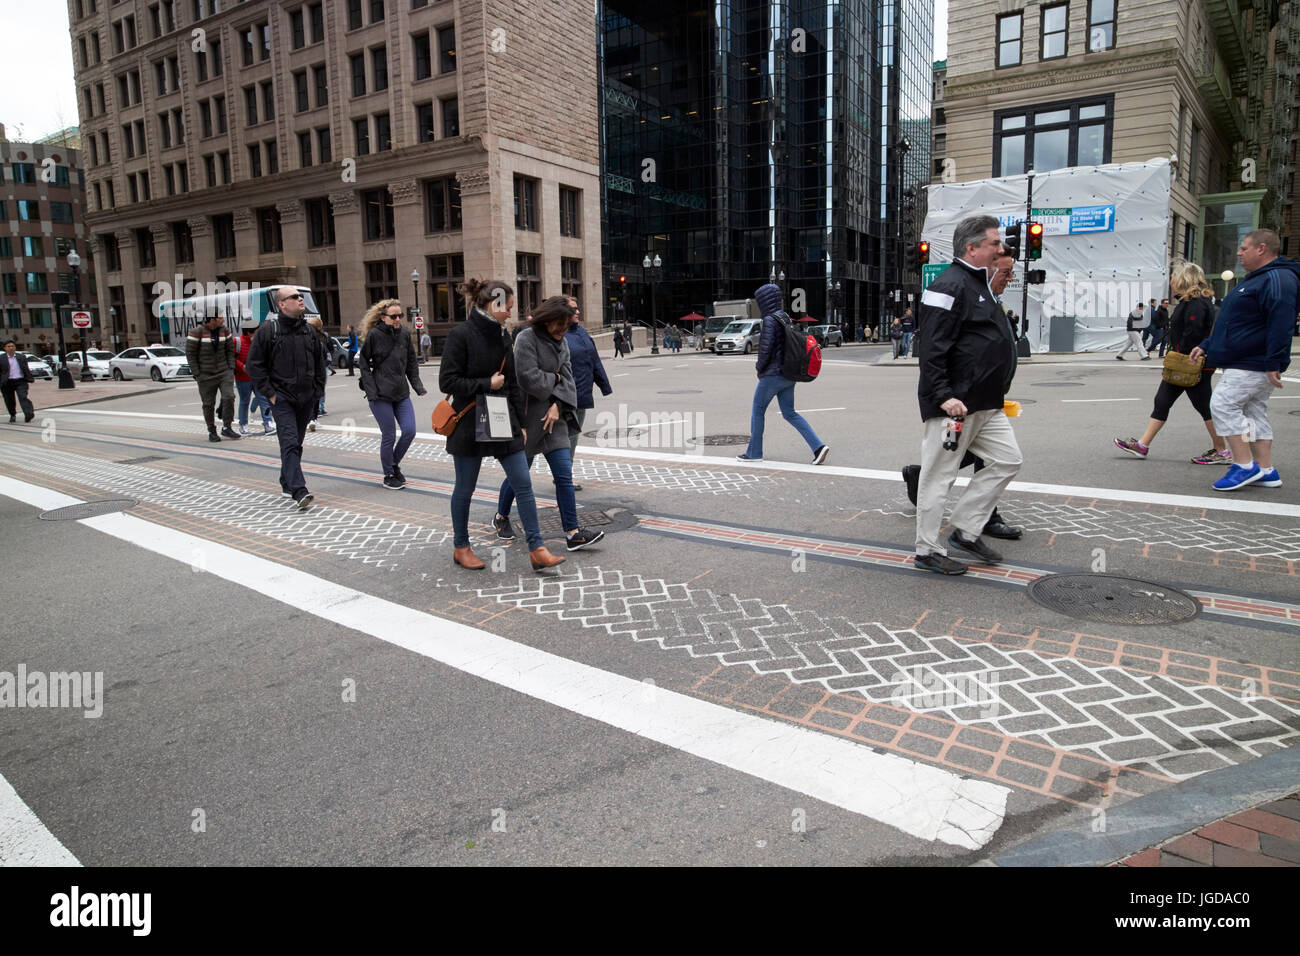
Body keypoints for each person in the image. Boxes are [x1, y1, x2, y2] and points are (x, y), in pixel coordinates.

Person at [913, 214, 1022, 575]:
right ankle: (927, 550)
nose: (1000, 247)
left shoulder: (979, 284)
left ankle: (966, 529)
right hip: (954, 406)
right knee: (937, 476)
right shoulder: (947, 286)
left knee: (1008, 460)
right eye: (993, 242)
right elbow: (930, 347)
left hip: (986, 404)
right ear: (971, 247)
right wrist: (943, 395)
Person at [440, 279, 565, 571]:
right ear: (492, 304)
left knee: (523, 482)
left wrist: (521, 424)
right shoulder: (461, 335)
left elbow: (512, 384)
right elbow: (447, 381)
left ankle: (537, 548)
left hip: (502, 420)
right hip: (470, 421)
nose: (511, 313)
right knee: (465, 487)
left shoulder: (503, 336)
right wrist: (486, 383)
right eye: (507, 307)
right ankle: (461, 546)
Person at [1190, 229, 1299, 491]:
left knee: (1223, 405)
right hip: (1249, 360)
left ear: (1261, 249)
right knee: (1252, 414)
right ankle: (1265, 469)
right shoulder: (1258, 279)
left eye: (1244, 248)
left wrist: (1274, 361)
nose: (1239, 253)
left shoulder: (1276, 278)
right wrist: (1206, 345)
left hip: (1252, 362)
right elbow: (1233, 322)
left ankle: (1243, 465)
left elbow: (1281, 320)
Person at [494, 297, 605, 552]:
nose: (563, 330)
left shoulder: (562, 342)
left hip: (555, 419)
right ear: (547, 319)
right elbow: (527, 378)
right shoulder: (526, 339)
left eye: (567, 325)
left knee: (564, 476)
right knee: (519, 476)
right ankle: (501, 517)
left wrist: (557, 404)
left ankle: (573, 533)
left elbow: (569, 380)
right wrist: (555, 379)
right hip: (527, 419)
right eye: (559, 324)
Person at [1113, 264, 1228, 464]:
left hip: (1191, 362)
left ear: (1185, 278)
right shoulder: (1191, 301)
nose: (1172, 280)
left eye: (1174, 276)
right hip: (1186, 361)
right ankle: (1143, 445)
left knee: (1203, 406)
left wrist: (1178, 354)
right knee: (1163, 401)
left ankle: (1222, 450)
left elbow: (1193, 332)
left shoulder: (1196, 303)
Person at [247, 285, 327, 510]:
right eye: (294, 297)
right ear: (282, 304)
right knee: (290, 441)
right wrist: (270, 394)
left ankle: (286, 481)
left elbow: (320, 363)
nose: (300, 299)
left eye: (301, 296)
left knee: (296, 443)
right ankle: (299, 490)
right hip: (282, 399)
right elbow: (254, 366)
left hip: (306, 397)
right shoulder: (268, 330)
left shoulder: (309, 331)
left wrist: (317, 392)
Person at [737, 282, 829, 465]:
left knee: (757, 410)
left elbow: (765, 349)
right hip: (788, 374)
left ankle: (754, 453)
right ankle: (818, 447)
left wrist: (759, 369)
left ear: (764, 301)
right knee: (789, 413)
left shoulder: (770, 320)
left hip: (773, 374)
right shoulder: (784, 317)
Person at [359, 299, 426, 488]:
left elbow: (411, 362)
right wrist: (371, 391)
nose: (398, 319)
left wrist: (417, 386)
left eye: (400, 316)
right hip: (380, 395)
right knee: (389, 435)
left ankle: (393, 463)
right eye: (393, 316)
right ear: (383, 318)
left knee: (410, 431)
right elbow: (363, 363)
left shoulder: (404, 334)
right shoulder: (374, 335)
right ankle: (389, 474)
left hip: (401, 392)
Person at [564, 295, 611, 485]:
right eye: (573, 309)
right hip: (566, 396)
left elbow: (595, 361)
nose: (577, 312)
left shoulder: (582, 332)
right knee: (568, 437)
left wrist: (604, 385)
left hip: (582, 394)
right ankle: (564, 475)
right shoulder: (559, 335)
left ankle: (565, 473)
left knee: (572, 437)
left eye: (578, 308)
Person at [185, 309, 240, 442]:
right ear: (212, 320)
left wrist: (231, 368)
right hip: (205, 375)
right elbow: (190, 354)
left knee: (229, 397)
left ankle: (227, 427)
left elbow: (230, 350)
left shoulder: (225, 331)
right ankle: (212, 430)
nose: (223, 320)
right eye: (220, 318)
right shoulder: (196, 332)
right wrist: (197, 374)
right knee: (208, 404)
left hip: (224, 371)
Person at [233, 318, 275, 436]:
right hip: (243, 378)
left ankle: (268, 423)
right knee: (244, 401)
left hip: (258, 377)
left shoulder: (260, 341)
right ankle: (243, 425)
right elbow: (231, 358)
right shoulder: (237, 342)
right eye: (256, 331)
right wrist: (242, 366)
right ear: (249, 332)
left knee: (264, 399)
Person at [305, 316, 331, 431]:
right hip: (317, 369)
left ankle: (312, 418)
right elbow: (328, 352)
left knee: (312, 395)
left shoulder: (307, 337)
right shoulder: (322, 337)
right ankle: (313, 418)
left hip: (310, 370)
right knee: (317, 394)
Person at [1, 340, 35, 423]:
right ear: (5, 348)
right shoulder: (1, 358)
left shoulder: (21, 357)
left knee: (23, 397)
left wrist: (30, 378)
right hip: (7, 382)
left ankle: (28, 414)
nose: (11, 348)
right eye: (8, 346)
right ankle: (12, 415)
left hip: (21, 381)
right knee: (9, 400)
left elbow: (25, 368)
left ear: (15, 347)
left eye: (12, 346)